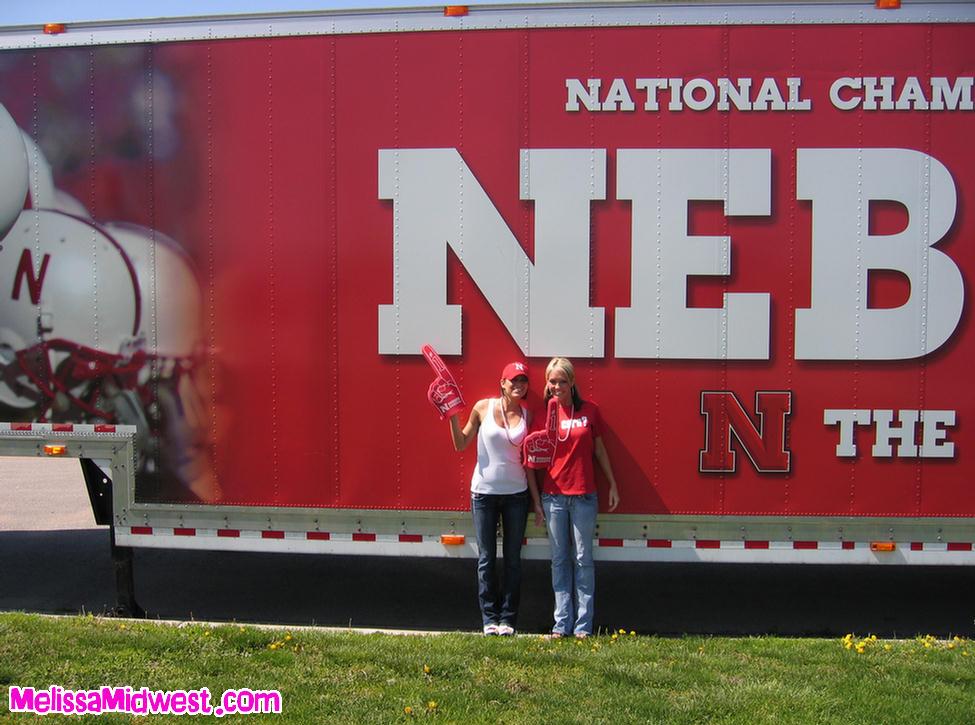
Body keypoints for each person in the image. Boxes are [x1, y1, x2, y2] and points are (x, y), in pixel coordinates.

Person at [446, 362, 543, 636]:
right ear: (502, 383)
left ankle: (508, 620)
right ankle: (489, 618)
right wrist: (452, 416)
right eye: (513, 381)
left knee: (513, 559)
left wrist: (536, 501)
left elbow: (531, 462)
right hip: (484, 494)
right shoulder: (482, 408)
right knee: (487, 558)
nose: (518, 386)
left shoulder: (528, 414)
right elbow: (460, 444)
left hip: (516, 495)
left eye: (523, 381)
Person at [539, 356, 620, 639]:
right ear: (547, 385)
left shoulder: (589, 411)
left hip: (584, 495)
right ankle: (561, 624)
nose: (557, 386)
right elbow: (533, 455)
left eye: (562, 381)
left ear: (572, 382)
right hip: (554, 497)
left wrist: (612, 483)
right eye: (552, 381)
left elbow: (599, 450)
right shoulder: (543, 414)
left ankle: (583, 627)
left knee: (584, 559)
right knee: (560, 561)